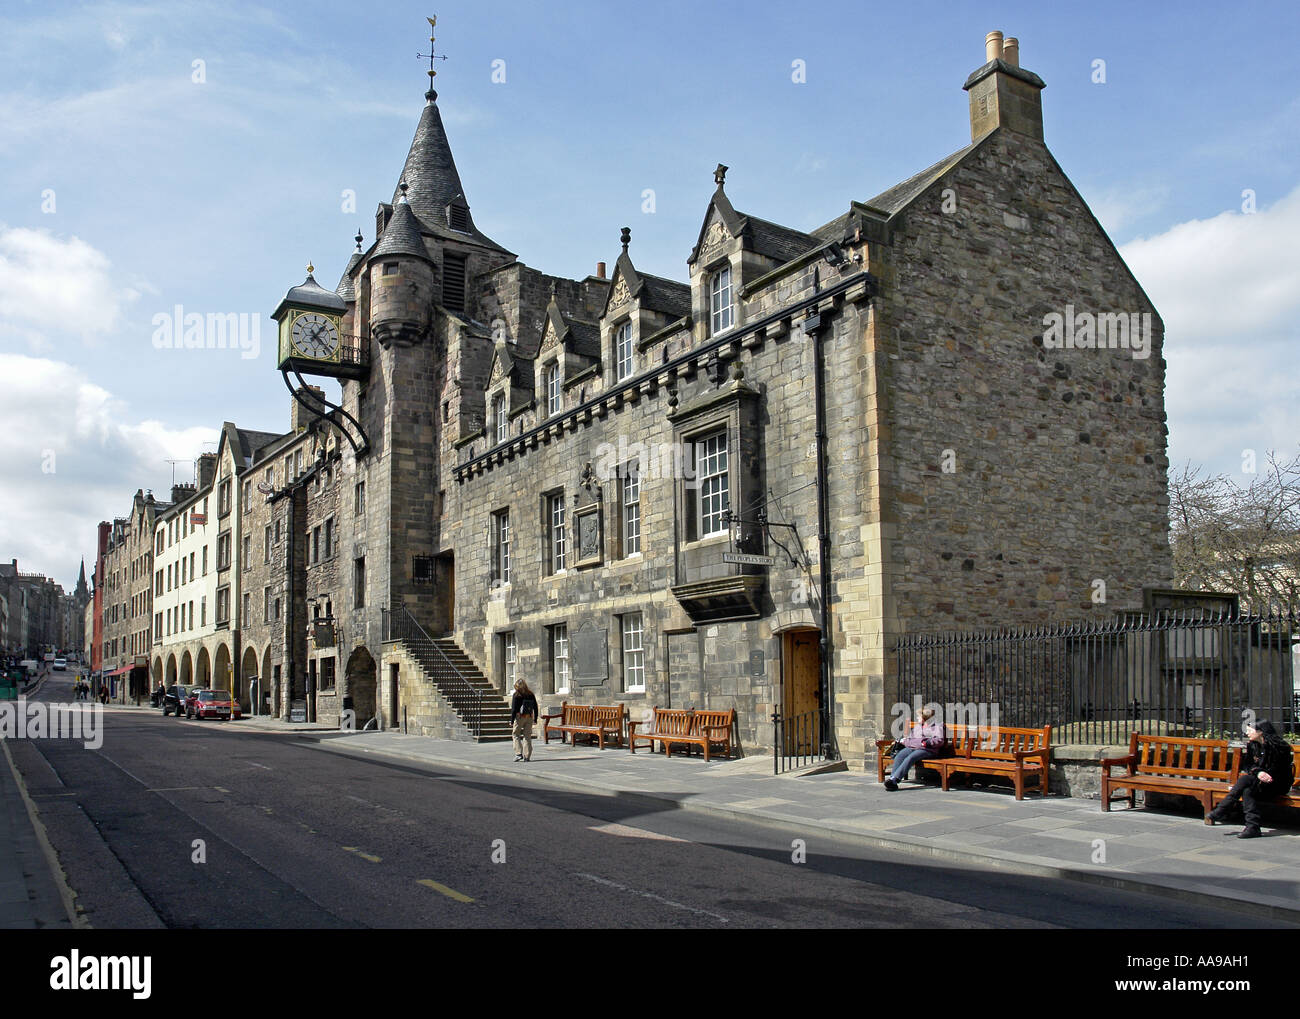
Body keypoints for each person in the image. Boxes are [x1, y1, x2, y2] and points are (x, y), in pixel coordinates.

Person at [1208, 720, 1295, 838]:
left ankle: (1222, 809)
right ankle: (1252, 827)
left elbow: (1278, 769)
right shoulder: (1252, 745)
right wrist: (1258, 773)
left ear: (1260, 731)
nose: (1247, 733)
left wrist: (1260, 773)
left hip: (1277, 784)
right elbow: (1248, 765)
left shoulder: (1280, 747)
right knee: (1247, 790)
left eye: (1250, 730)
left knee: (1245, 781)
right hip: (1258, 782)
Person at [884, 706, 947, 791]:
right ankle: (892, 779)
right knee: (900, 755)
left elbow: (939, 740)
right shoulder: (918, 726)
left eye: (919, 716)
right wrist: (905, 742)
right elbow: (910, 738)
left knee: (911, 757)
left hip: (928, 750)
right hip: (913, 747)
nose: (917, 718)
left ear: (925, 718)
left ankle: (895, 779)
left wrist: (925, 743)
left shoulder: (937, 726)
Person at [510, 678, 538, 762]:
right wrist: (535, 718)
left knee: (515, 734)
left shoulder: (516, 695)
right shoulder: (530, 694)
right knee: (527, 736)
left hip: (519, 717)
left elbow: (514, 709)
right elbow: (535, 707)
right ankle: (527, 756)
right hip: (529, 717)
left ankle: (518, 753)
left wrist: (511, 721)